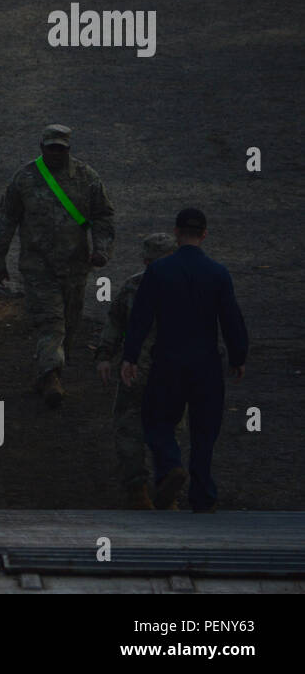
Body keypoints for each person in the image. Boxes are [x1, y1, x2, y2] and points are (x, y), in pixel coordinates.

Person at [121, 208, 249, 512]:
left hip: (168, 360)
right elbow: (231, 318)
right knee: (204, 432)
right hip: (206, 363)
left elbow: (140, 317)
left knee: (158, 421)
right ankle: (203, 495)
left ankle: (170, 467)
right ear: (204, 234)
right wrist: (238, 356)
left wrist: (130, 356)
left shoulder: (159, 271)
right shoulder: (218, 273)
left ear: (177, 233)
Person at [0, 124, 115, 407]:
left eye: (61, 148)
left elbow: (103, 215)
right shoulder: (24, 179)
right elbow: (8, 218)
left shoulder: (87, 178)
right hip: (37, 268)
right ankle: (51, 376)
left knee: (69, 324)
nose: (56, 153)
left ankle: (49, 371)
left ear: (68, 149)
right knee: (50, 322)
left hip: (75, 268)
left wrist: (101, 249)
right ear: (41, 147)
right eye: (51, 147)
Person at [95, 233, 175, 509]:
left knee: (129, 428)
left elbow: (115, 323)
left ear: (145, 260)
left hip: (136, 371)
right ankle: (167, 486)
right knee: (166, 428)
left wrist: (105, 355)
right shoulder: (189, 286)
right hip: (172, 371)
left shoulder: (133, 286)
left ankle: (137, 489)